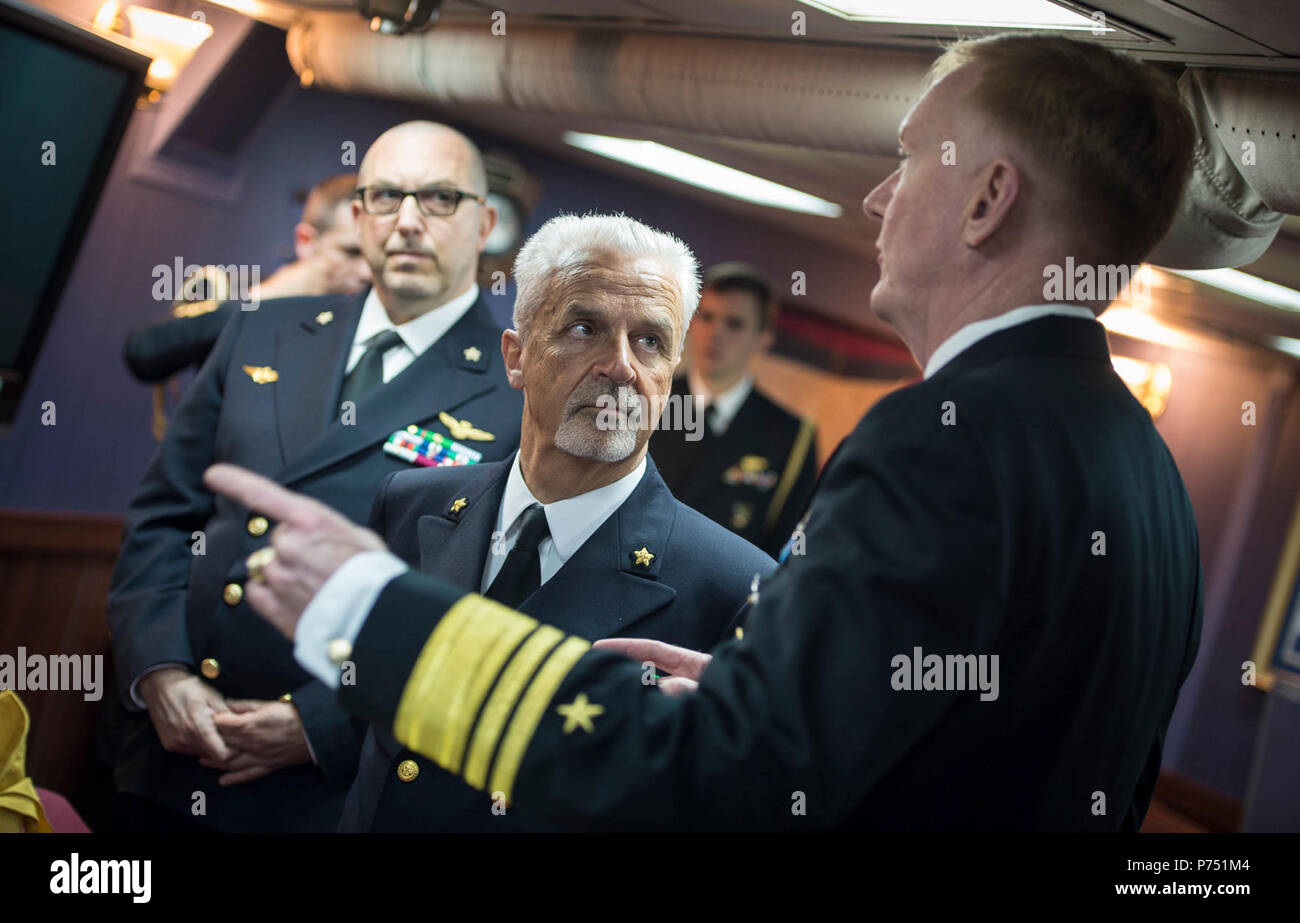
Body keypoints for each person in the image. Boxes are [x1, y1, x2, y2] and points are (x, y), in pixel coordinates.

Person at [207, 33, 1204, 831]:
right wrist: (757, 697)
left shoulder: (946, 436)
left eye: (906, 157)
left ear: (987, 199)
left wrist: (370, 609)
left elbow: (731, 788)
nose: (877, 196)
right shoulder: (1148, 476)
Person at [105, 121, 524, 832]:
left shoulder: (518, 392)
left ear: (484, 223)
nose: (409, 221)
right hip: (165, 748)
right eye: (386, 196)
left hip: (320, 788)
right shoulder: (265, 328)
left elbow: (490, 607)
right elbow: (164, 515)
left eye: (441, 198)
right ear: (358, 216)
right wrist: (161, 670)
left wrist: (323, 725)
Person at [334, 214, 776, 832]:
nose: (620, 366)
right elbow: (360, 718)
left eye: (650, 341)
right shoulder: (412, 502)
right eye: (584, 327)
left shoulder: (735, 586)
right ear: (516, 357)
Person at [122, 174, 370, 383]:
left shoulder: (365, 318)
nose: (366, 272)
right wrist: (266, 299)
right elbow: (144, 353)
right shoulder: (230, 288)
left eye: (372, 257)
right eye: (351, 252)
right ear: (306, 242)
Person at [650, 262, 818, 557]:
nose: (716, 333)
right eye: (707, 317)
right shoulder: (650, 399)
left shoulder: (792, 436)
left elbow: (785, 543)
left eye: (734, 323)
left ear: (764, 337)